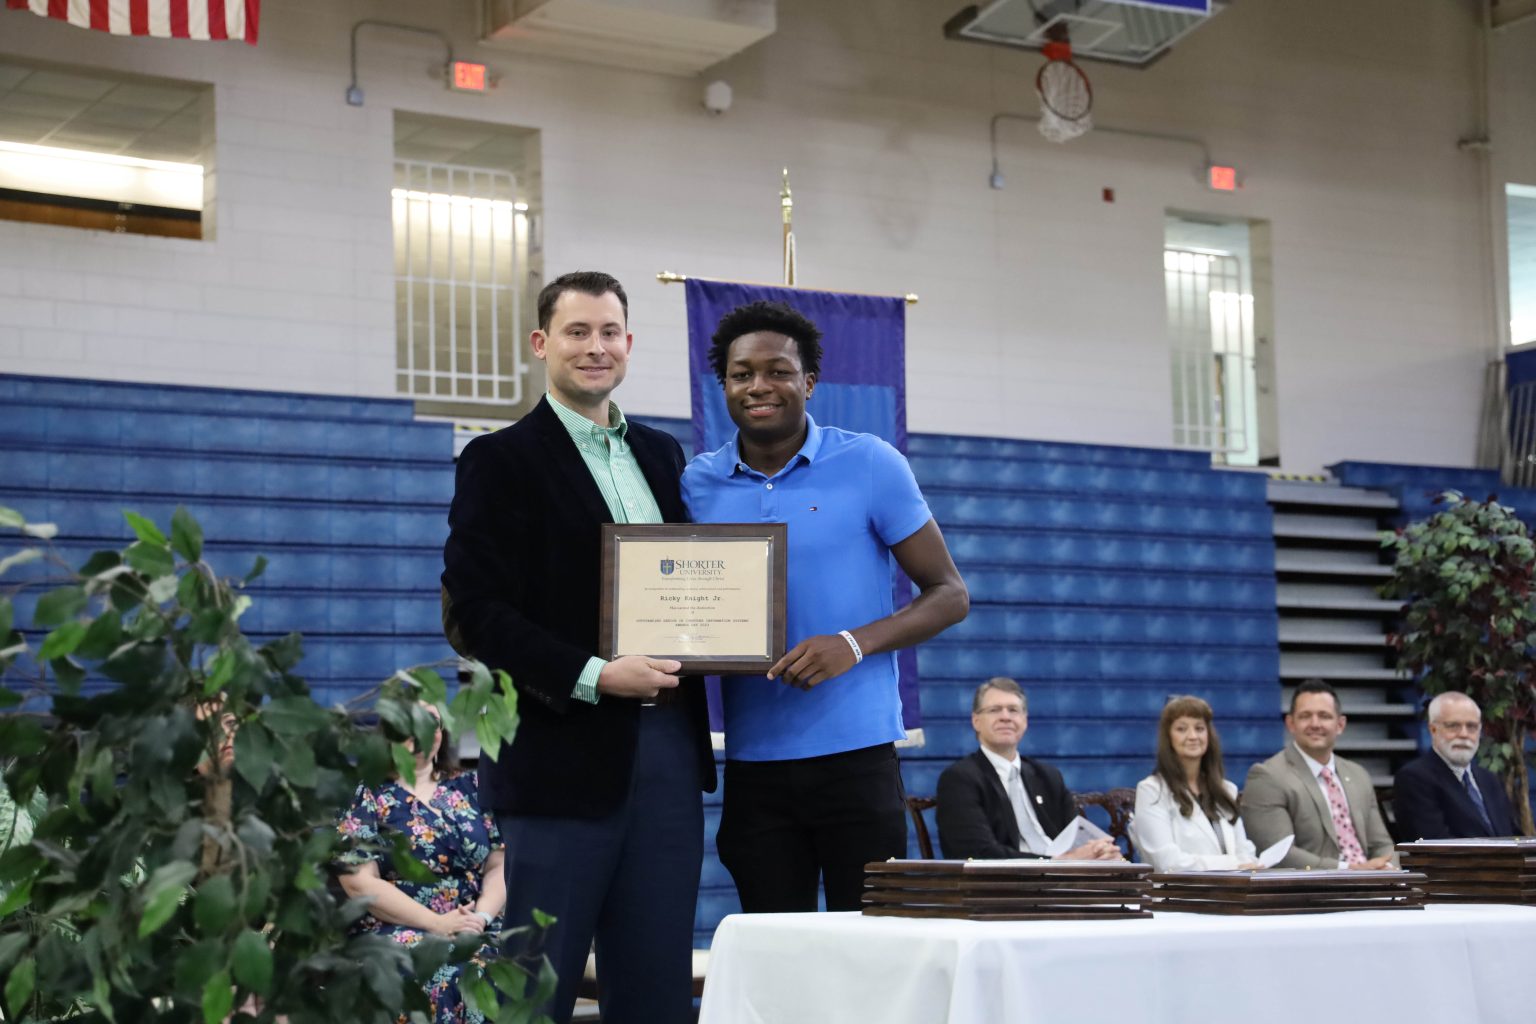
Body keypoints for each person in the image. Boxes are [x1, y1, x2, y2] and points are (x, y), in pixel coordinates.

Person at [441, 271, 714, 1024]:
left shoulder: (663, 455)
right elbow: (475, 612)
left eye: (609, 332)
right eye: (577, 332)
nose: (596, 347)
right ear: (541, 343)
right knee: (535, 993)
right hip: (557, 754)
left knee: (656, 991)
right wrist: (593, 674)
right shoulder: (500, 459)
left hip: (667, 750)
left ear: (629, 343)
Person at [682, 299, 969, 912]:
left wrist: (852, 644)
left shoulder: (870, 462)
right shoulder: (695, 483)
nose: (759, 386)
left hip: (857, 759)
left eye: (778, 371)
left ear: (809, 382)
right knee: (776, 947)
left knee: (867, 947)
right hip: (753, 764)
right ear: (723, 385)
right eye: (741, 374)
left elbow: (950, 594)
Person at [337, 705, 505, 1024]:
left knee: (508, 963)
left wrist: (481, 918)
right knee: (444, 969)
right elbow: (358, 882)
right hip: (399, 925)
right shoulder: (368, 793)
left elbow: (500, 863)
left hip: (477, 923)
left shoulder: (472, 786)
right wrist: (437, 924)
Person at [935, 677, 1120, 861]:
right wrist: (1055, 863)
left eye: (1013, 710)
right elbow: (979, 853)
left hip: (1065, 874)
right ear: (976, 721)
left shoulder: (1048, 776)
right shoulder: (959, 779)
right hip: (1007, 879)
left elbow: (1077, 835)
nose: (1005, 717)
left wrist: (1100, 851)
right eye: (994, 710)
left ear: (1024, 720)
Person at [1241, 678, 1397, 869]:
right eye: (1305, 716)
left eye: (1324, 716)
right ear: (1290, 723)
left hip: (1373, 883)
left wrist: (1387, 867)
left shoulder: (1358, 775)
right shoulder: (1267, 777)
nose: (1315, 724)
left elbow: (1382, 845)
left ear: (1340, 725)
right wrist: (1349, 870)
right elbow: (1279, 854)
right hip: (1313, 886)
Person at [1131, 695, 1260, 871]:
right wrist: (1234, 864)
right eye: (1182, 729)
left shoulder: (1227, 789)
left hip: (1234, 886)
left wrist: (1251, 863)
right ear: (1168, 737)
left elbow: (1244, 849)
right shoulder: (1151, 791)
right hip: (1181, 888)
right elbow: (1167, 862)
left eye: (1199, 728)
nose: (1193, 736)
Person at [1392, 691, 1515, 839]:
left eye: (1471, 726)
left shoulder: (1489, 779)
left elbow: (1514, 836)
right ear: (1433, 730)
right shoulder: (1414, 779)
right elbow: (1434, 844)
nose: (1464, 734)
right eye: (1453, 726)